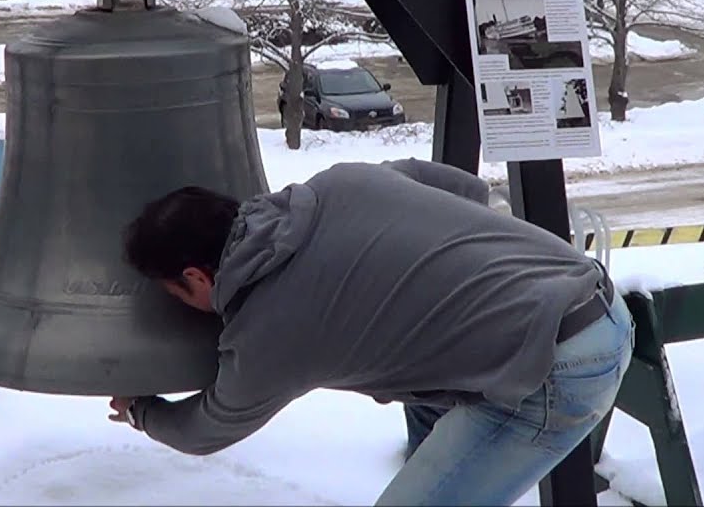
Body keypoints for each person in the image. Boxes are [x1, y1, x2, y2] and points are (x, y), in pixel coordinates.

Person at [109, 158, 634, 506]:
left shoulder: (267, 333)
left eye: (177, 294)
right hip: (593, 297)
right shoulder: (340, 183)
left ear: (198, 277)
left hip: (551, 371)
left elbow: (207, 429)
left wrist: (141, 411)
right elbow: (454, 185)